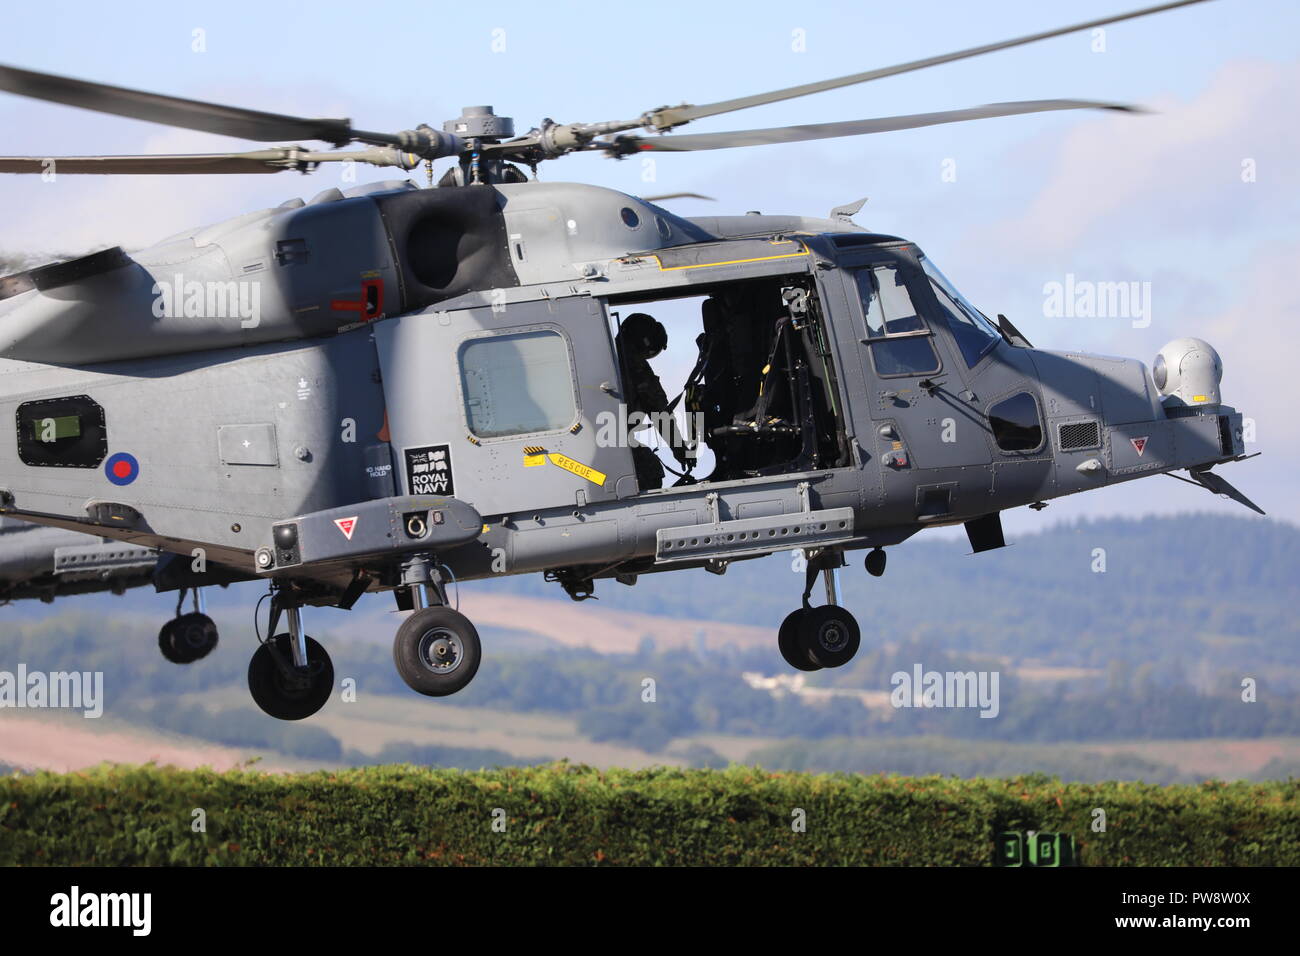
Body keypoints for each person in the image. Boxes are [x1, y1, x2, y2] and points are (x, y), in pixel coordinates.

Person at [616, 313, 692, 490]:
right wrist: (680, 450)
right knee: (650, 472)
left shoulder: (604, 354)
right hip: (613, 442)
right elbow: (660, 413)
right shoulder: (634, 365)